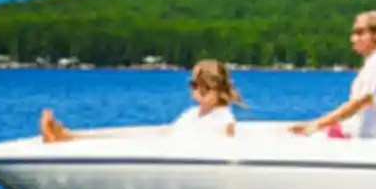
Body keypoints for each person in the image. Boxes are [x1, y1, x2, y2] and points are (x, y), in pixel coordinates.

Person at [39, 59, 243, 142]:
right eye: (194, 85)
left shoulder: (223, 120)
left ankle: (68, 136)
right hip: (166, 145)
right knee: (123, 135)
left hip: (171, 154)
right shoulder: (193, 114)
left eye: (204, 87)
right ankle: (69, 135)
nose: (197, 91)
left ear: (218, 88)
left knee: (124, 142)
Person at [289, 10, 376, 138]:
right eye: (353, 33)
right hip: (361, 138)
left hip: (371, 143)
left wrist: (316, 125)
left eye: (360, 33)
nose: (353, 39)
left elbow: (360, 102)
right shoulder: (372, 63)